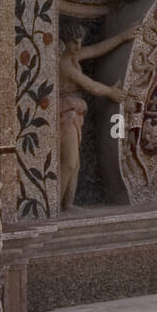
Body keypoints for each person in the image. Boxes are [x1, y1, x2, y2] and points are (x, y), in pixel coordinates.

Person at [57, 20, 139, 211]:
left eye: (80, 42)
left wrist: (122, 36)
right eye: (74, 42)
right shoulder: (64, 64)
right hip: (65, 113)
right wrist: (111, 92)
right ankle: (53, 205)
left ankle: (68, 203)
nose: (78, 46)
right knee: (69, 161)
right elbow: (89, 85)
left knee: (75, 163)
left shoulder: (74, 56)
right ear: (63, 42)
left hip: (74, 112)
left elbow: (95, 50)